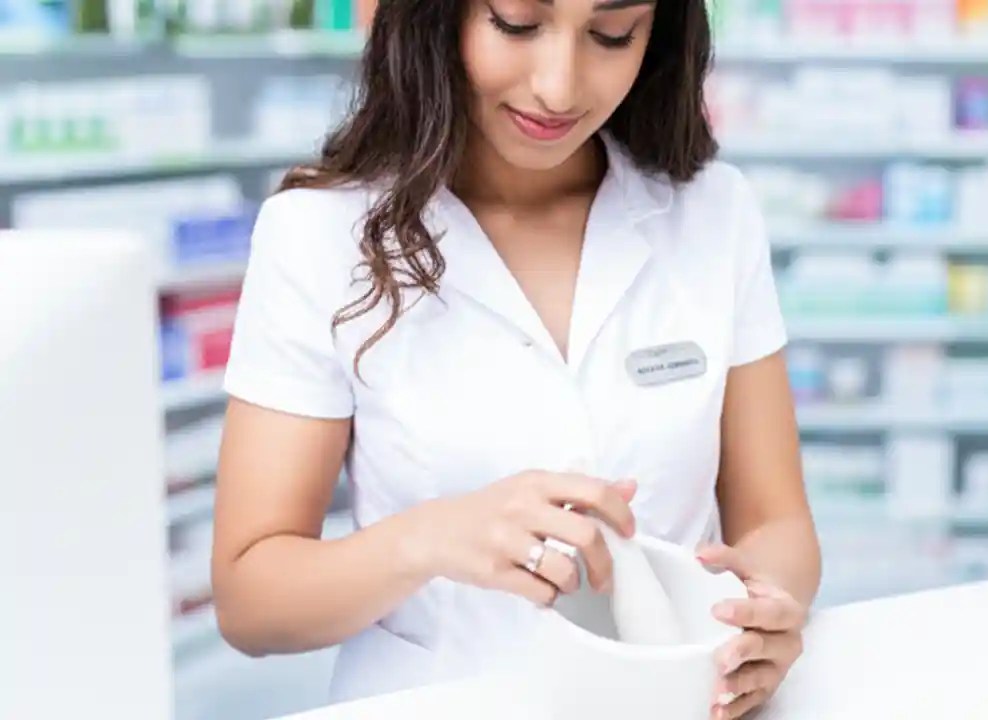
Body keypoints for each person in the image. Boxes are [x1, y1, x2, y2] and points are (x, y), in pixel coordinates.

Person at [211, 0, 821, 717]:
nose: (560, 87)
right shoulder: (319, 234)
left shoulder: (713, 212)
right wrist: (429, 539)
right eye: (516, 23)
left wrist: (760, 611)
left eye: (611, 34)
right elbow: (250, 598)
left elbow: (778, 525)